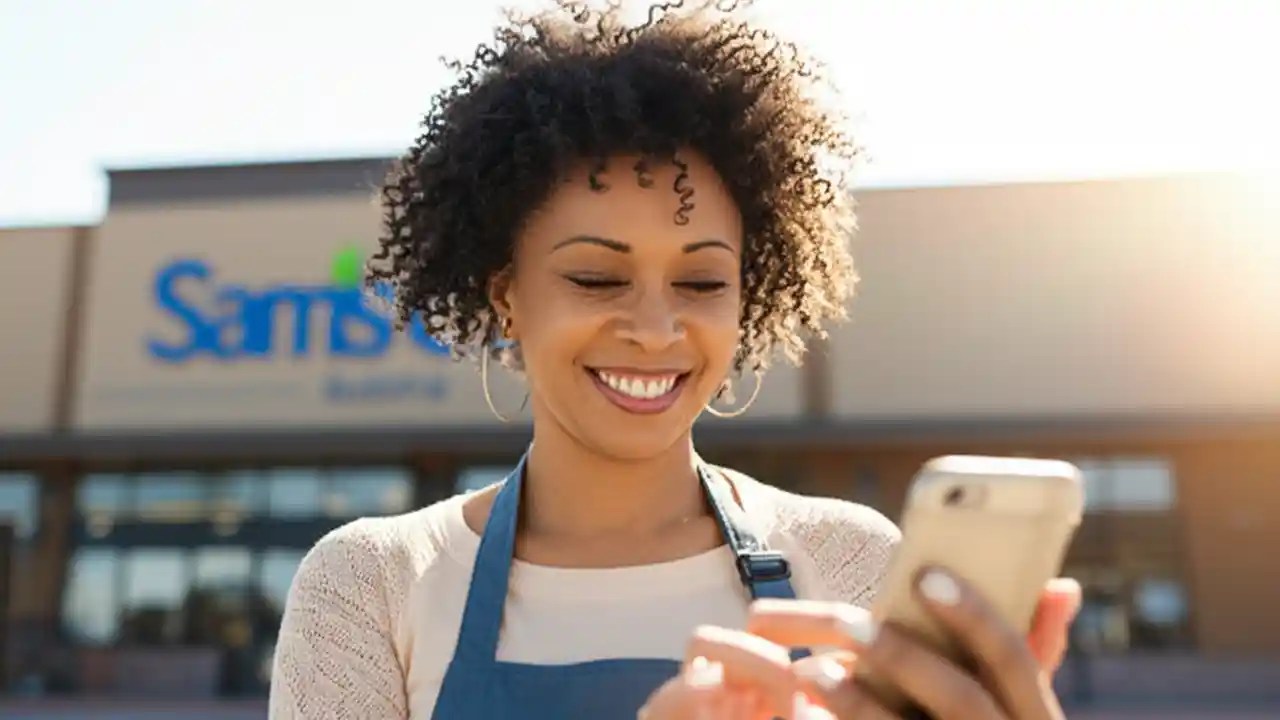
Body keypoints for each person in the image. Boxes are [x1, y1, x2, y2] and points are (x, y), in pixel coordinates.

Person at [267, 1, 1080, 718]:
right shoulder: (370, 584)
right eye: (596, 276)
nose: (657, 329)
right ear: (508, 293)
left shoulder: (850, 559)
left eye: (700, 279)